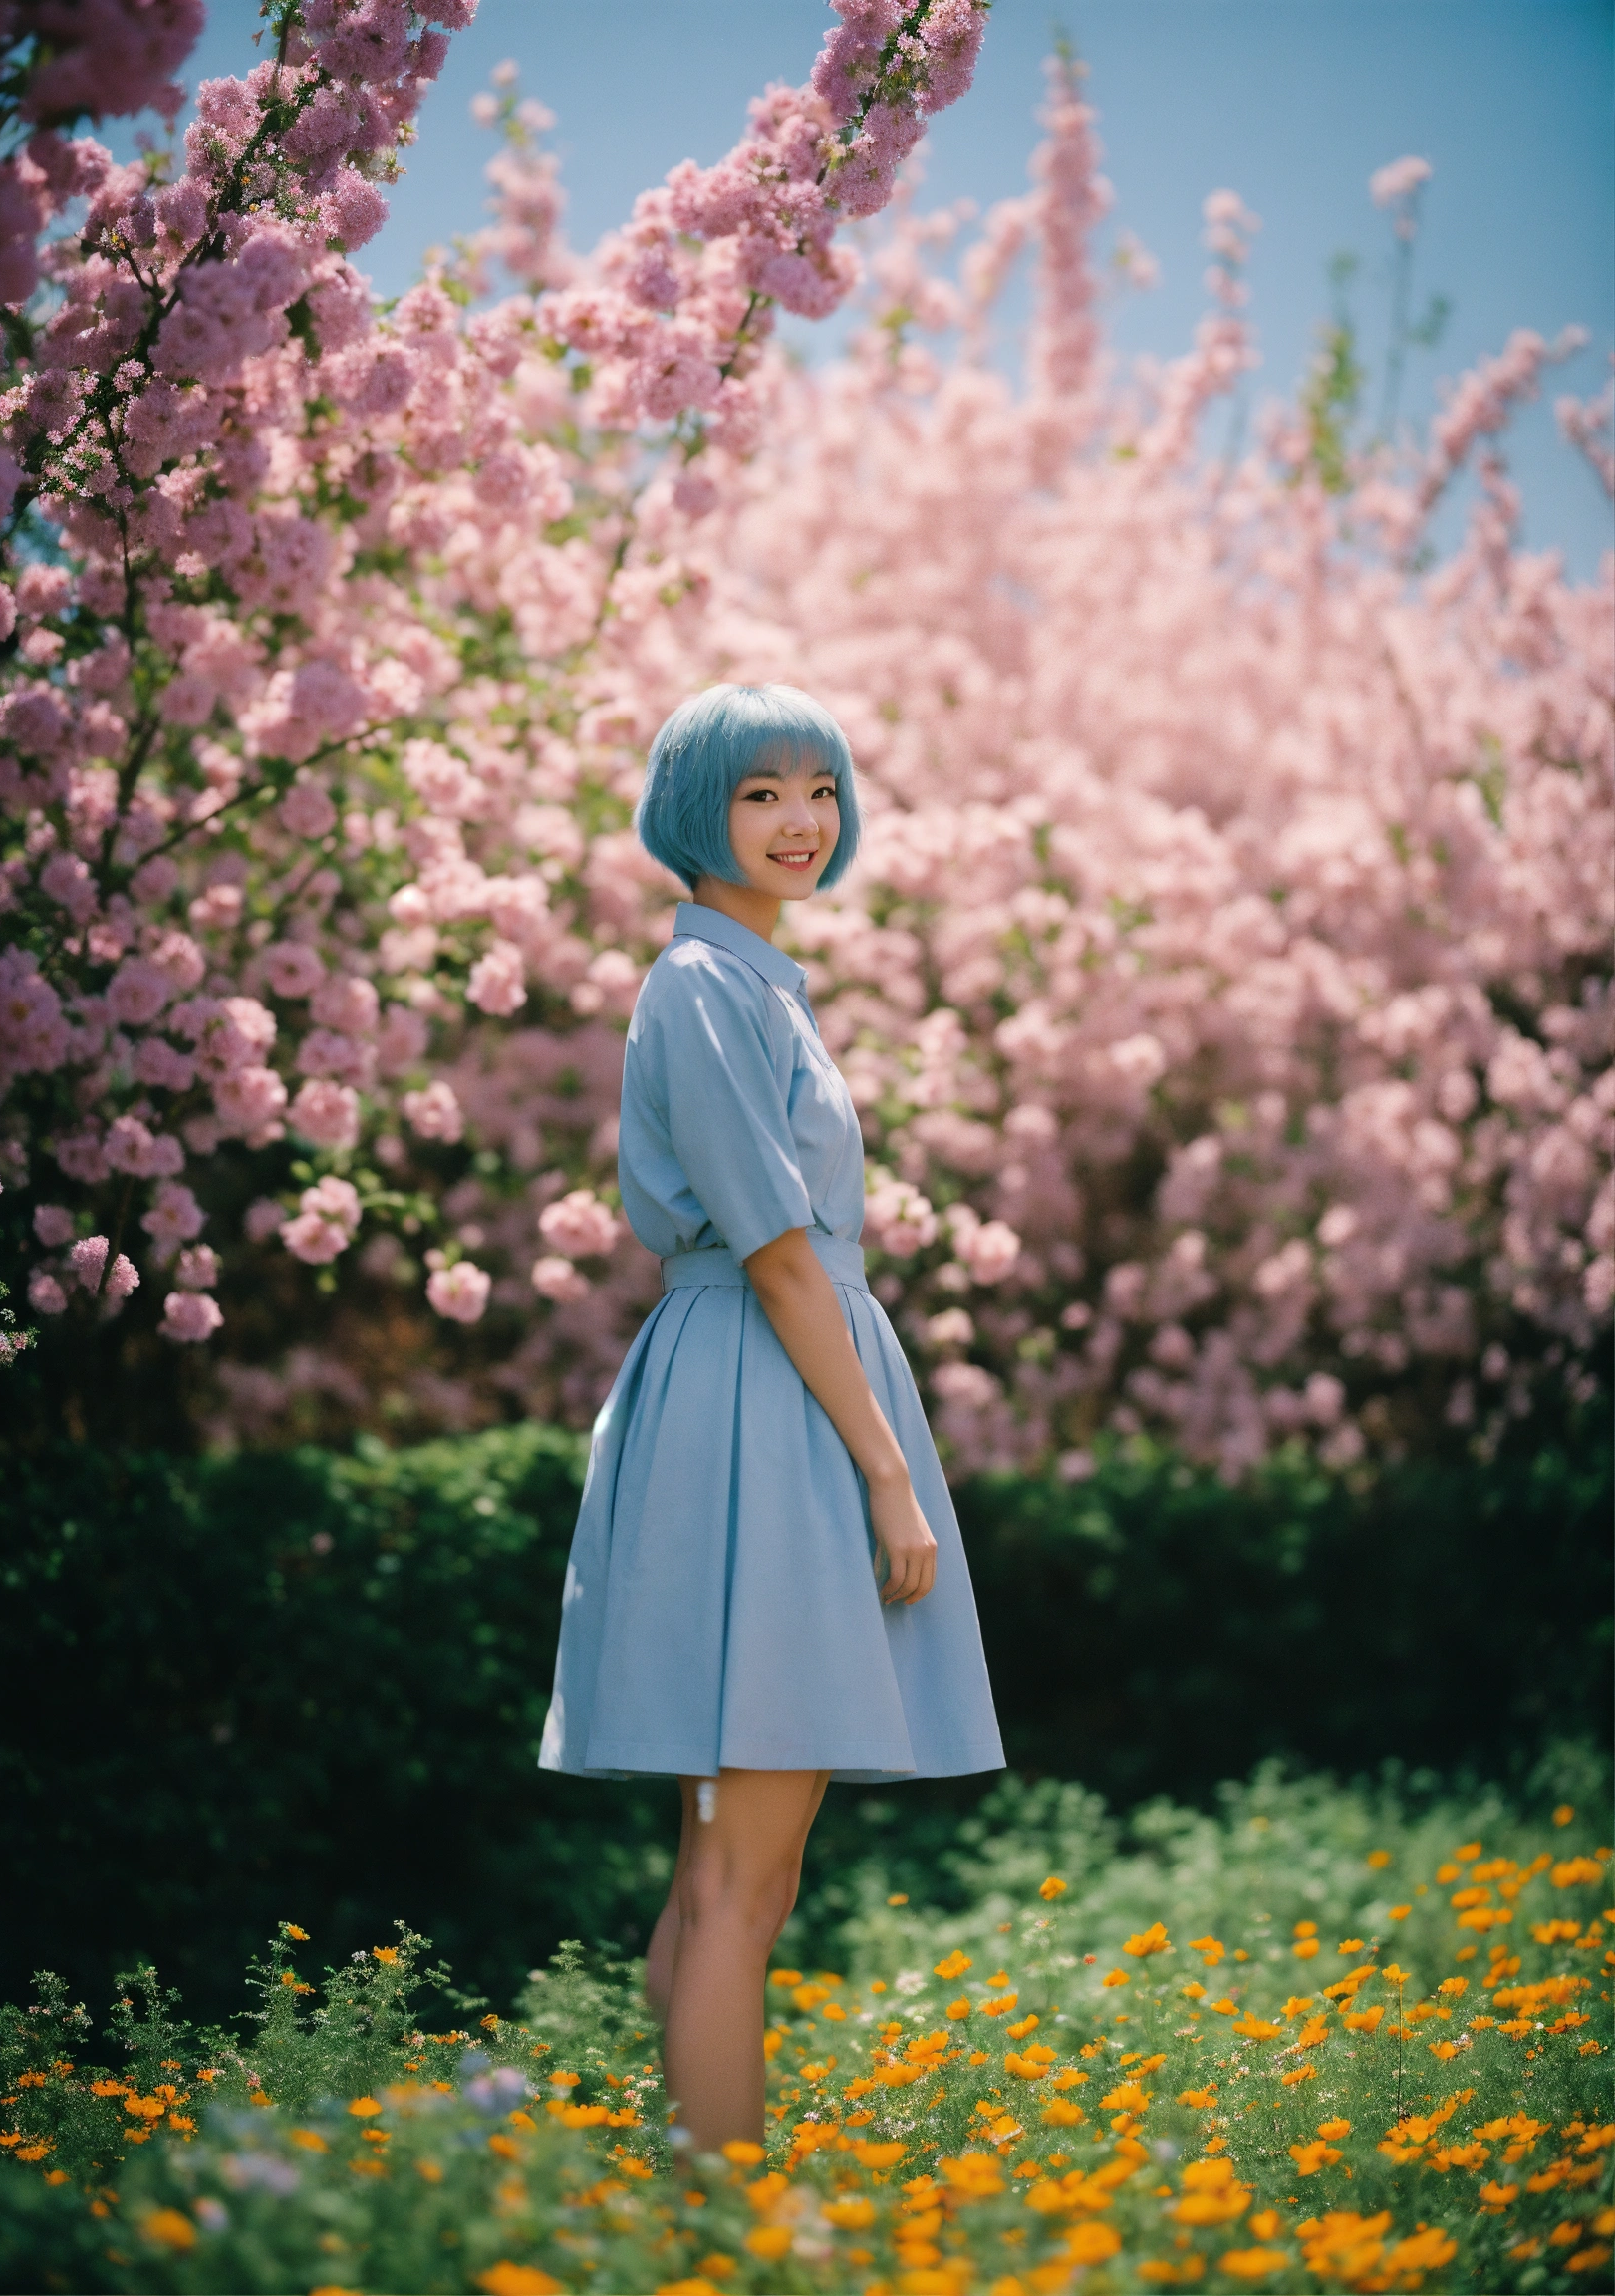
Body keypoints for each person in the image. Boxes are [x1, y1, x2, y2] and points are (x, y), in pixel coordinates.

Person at [539, 683, 1004, 2151]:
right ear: (696, 814)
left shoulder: (748, 985)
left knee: (737, 1873)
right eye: (759, 794)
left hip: (763, 1386)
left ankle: (693, 2204)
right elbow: (784, 1252)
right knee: (741, 1877)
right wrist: (887, 1471)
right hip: (768, 1396)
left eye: (818, 788)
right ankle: (726, 2224)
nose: (800, 821)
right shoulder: (703, 991)